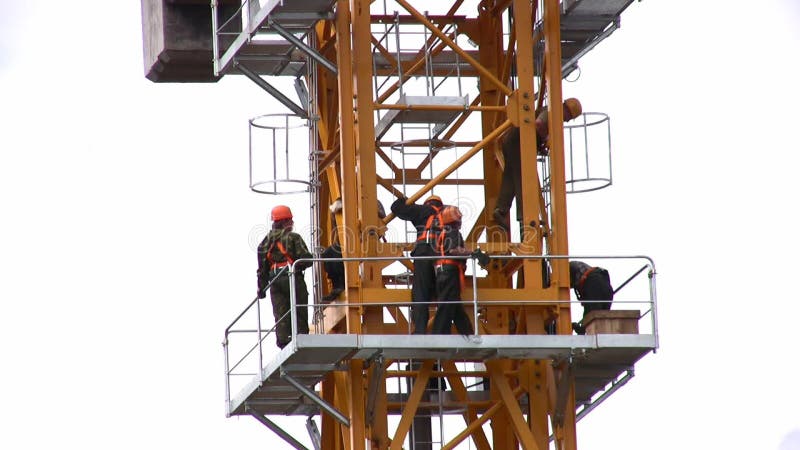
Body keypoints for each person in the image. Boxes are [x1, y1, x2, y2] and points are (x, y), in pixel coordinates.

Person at [493, 98, 583, 229]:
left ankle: (501, 210)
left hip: (511, 140)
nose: (568, 120)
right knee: (523, 179)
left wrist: (540, 144)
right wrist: (545, 138)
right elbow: (539, 124)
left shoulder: (550, 110)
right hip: (519, 141)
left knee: (510, 178)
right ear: (567, 111)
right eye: (569, 117)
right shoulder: (552, 112)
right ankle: (526, 219)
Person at [256, 205, 313, 349]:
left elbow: (262, 269)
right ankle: (300, 337)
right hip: (291, 276)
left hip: (274, 280)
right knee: (298, 306)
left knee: (280, 311)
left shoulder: (264, 243)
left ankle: (283, 341)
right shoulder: (293, 237)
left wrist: (261, 288)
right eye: (291, 220)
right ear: (287, 221)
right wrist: (301, 264)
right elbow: (306, 259)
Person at [391, 194, 445, 334]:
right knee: (445, 295)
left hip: (424, 254)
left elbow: (397, 208)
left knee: (421, 292)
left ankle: (420, 330)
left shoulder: (423, 211)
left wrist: (405, 200)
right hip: (444, 258)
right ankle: (443, 330)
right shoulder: (448, 215)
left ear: (427, 203)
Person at [430, 206, 485, 336]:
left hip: (442, 272)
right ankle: (439, 335)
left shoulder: (441, 233)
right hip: (449, 272)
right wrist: (473, 253)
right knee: (447, 304)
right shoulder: (453, 233)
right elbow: (453, 250)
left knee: (454, 303)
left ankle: (467, 334)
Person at [320, 198, 386, 303]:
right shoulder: (344, 200)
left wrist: (352, 208)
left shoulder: (371, 199)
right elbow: (335, 220)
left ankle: (345, 283)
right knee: (329, 253)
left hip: (368, 239)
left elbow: (381, 215)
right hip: (350, 240)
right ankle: (338, 286)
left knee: (339, 252)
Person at [569, 260, 613, 335]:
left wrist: (582, 328)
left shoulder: (567, 270)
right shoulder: (575, 269)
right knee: (601, 317)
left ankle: (585, 329)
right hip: (604, 283)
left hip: (594, 280)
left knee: (593, 313)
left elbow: (591, 308)